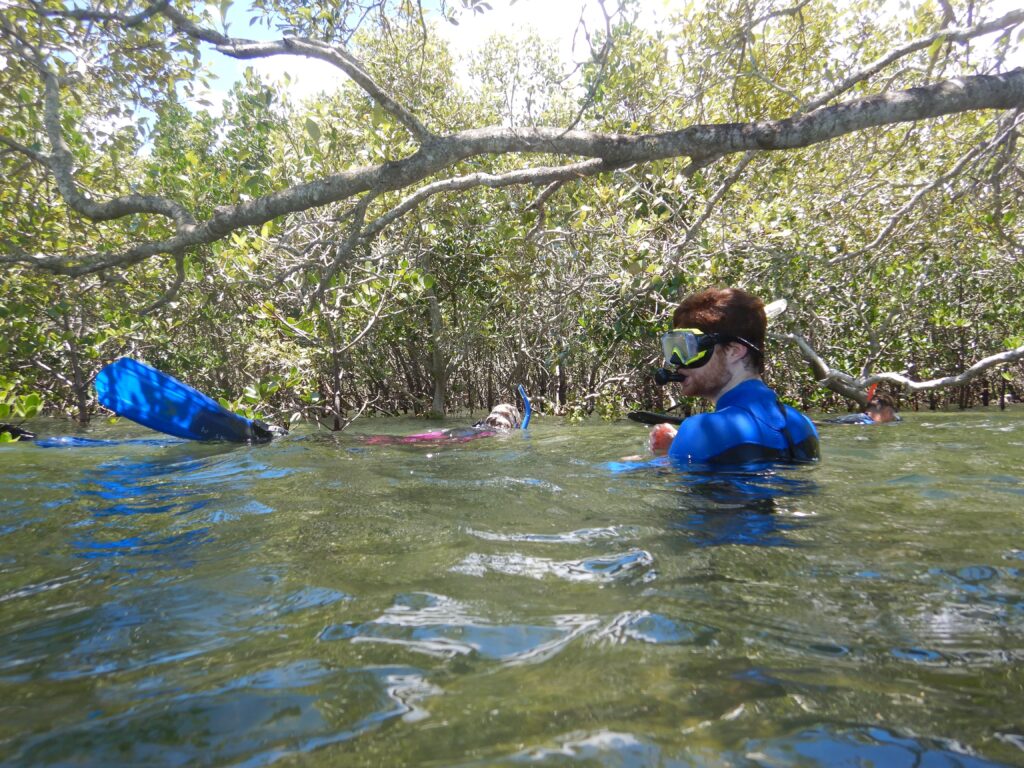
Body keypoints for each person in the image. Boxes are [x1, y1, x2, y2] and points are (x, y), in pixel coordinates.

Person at [643, 287, 819, 465]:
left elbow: (632, 474)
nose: (677, 362)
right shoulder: (802, 424)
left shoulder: (702, 430)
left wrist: (672, 453)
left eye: (689, 349)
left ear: (734, 351)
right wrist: (676, 446)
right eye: (673, 348)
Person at [363, 403, 521, 445]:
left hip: (459, 431)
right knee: (415, 442)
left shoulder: (482, 424)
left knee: (410, 440)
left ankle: (381, 439)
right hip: (466, 435)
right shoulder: (501, 431)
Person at [823, 389, 901, 425]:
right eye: (892, 412)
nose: (892, 416)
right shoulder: (865, 422)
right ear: (887, 411)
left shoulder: (860, 418)